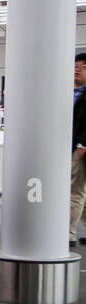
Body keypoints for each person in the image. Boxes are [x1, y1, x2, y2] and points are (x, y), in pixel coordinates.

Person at [69, 53, 86, 246]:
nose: (77, 69)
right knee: (80, 191)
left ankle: (68, 233)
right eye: (76, 65)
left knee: (75, 191)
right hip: (73, 145)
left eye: (83, 66)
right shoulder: (74, 92)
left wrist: (83, 144)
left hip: (80, 147)